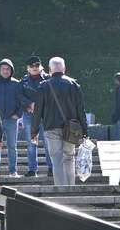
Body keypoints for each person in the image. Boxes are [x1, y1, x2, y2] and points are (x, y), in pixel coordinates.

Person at [36, 56, 88, 186]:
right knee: (69, 158)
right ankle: (70, 186)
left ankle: (60, 187)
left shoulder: (44, 86)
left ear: (49, 70)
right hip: (71, 128)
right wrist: (85, 131)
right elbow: (80, 110)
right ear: (64, 69)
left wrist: (33, 130)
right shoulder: (74, 85)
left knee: (56, 160)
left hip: (51, 127)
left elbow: (38, 111)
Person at [0, 60, 29, 177]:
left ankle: (13, 171)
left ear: (11, 70)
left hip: (11, 120)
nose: (5, 71)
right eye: (3, 69)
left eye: (8, 69)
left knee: (12, 146)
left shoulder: (16, 84)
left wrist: (18, 114)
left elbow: (21, 100)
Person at [19, 58, 48, 177]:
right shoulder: (23, 81)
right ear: (27, 68)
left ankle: (52, 169)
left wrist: (41, 105)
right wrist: (29, 104)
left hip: (46, 115)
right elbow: (19, 96)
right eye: (31, 65)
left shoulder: (48, 78)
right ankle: (32, 170)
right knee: (32, 143)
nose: (34, 67)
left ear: (40, 66)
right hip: (29, 115)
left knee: (49, 143)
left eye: (37, 65)